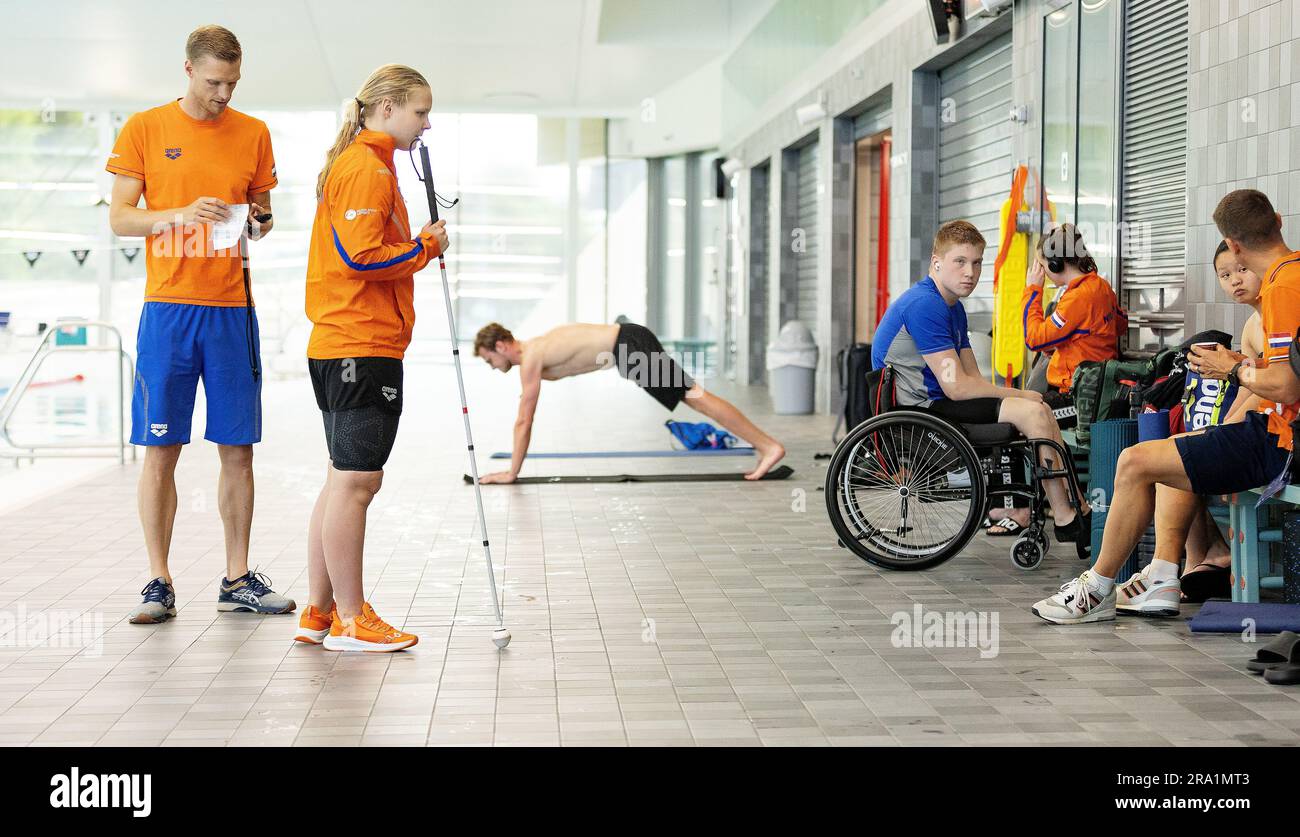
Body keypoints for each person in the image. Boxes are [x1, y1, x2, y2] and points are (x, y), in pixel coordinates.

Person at [1032, 189, 1300, 624]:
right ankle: (1161, 575)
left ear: (1233, 244)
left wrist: (1232, 368)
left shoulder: (1285, 285)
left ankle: (1098, 588)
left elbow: (1286, 385)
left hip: (1281, 444)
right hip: (1270, 433)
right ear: (1279, 222)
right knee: (1177, 450)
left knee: (1136, 461)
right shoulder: (1287, 279)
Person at [107, 25, 293, 623]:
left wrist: (259, 221)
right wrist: (180, 213)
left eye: (233, 83)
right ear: (188, 70)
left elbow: (264, 220)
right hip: (168, 309)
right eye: (215, 82)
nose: (224, 94)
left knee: (238, 448)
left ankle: (237, 576)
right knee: (161, 447)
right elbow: (120, 219)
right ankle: (158, 579)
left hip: (233, 312)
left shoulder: (254, 133)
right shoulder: (145, 128)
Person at [293, 64, 450, 652]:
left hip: (347, 344)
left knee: (341, 479)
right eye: (420, 111)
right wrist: (425, 247)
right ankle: (354, 620)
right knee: (358, 482)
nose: (426, 124)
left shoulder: (367, 164)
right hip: (359, 343)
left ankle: (319, 611)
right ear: (386, 107)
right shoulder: (365, 169)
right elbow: (362, 258)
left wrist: (415, 247)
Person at [871, 219, 1091, 553]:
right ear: (937, 262)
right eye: (960, 262)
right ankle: (1066, 515)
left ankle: (1075, 509)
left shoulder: (951, 307)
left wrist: (1023, 396)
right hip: (919, 411)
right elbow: (959, 388)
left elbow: (972, 378)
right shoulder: (925, 305)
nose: (970, 272)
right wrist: (1021, 394)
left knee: (1039, 408)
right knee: (1033, 411)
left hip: (940, 400)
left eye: (976, 263)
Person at [472, 322, 786, 481]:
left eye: (489, 360)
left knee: (698, 399)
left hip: (629, 345)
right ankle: (766, 445)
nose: (491, 367)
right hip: (629, 344)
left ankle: (768, 446)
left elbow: (524, 419)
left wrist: (512, 473)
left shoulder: (531, 357)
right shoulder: (536, 349)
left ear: (500, 345)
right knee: (697, 398)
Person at [985, 224, 1125, 536]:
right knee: (1015, 410)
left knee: (1013, 421)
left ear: (1056, 263)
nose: (1042, 272)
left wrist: (1032, 291)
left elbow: (1034, 339)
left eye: (1042, 265)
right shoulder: (1097, 287)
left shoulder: (1079, 297)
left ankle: (1024, 509)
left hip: (1080, 400)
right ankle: (1054, 507)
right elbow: (1101, 330)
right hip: (1087, 390)